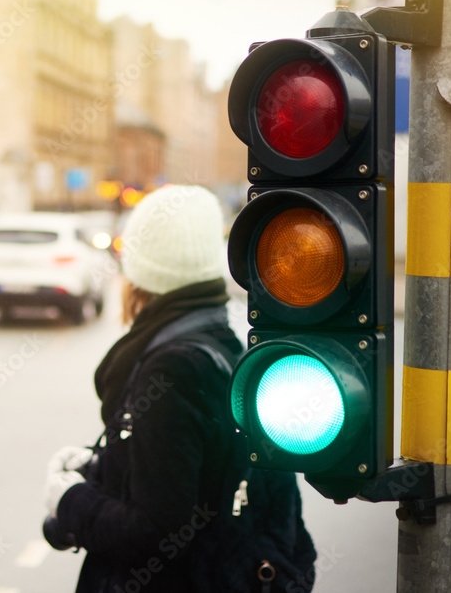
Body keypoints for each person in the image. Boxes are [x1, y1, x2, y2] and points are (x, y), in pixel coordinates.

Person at [43, 185, 316, 592]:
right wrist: (105, 467)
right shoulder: (220, 343)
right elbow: (203, 476)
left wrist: (69, 501)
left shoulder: (170, 369)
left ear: (141, 275)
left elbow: (156, 533)